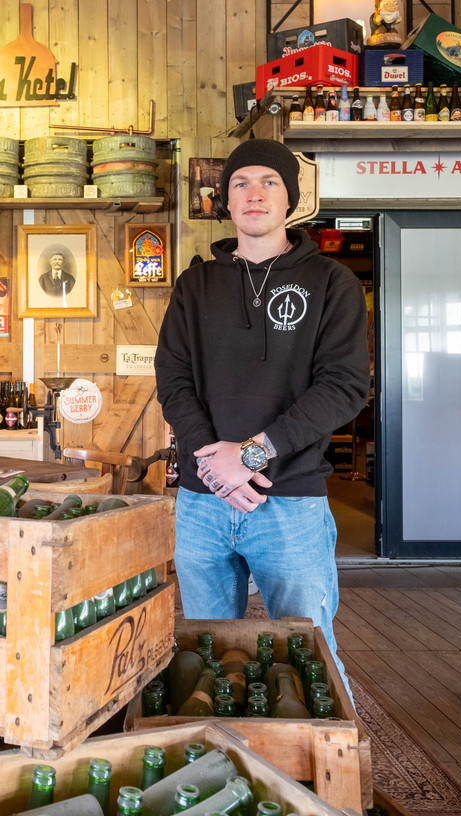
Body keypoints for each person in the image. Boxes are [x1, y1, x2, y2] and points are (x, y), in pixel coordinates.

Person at [154, 137, 370, 690]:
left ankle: (323, 772)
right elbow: (174, 382)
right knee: (204, 654)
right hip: (203, 505)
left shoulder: (331, 284)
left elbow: (345, 388)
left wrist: (249, 456)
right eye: (240, 183)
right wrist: (215, 467)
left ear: (290, 199)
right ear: (226, 201)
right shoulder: (194, 287)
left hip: (291, 503)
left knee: (308, 652)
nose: (254, 194)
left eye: (269, 182)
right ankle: (217, 760)